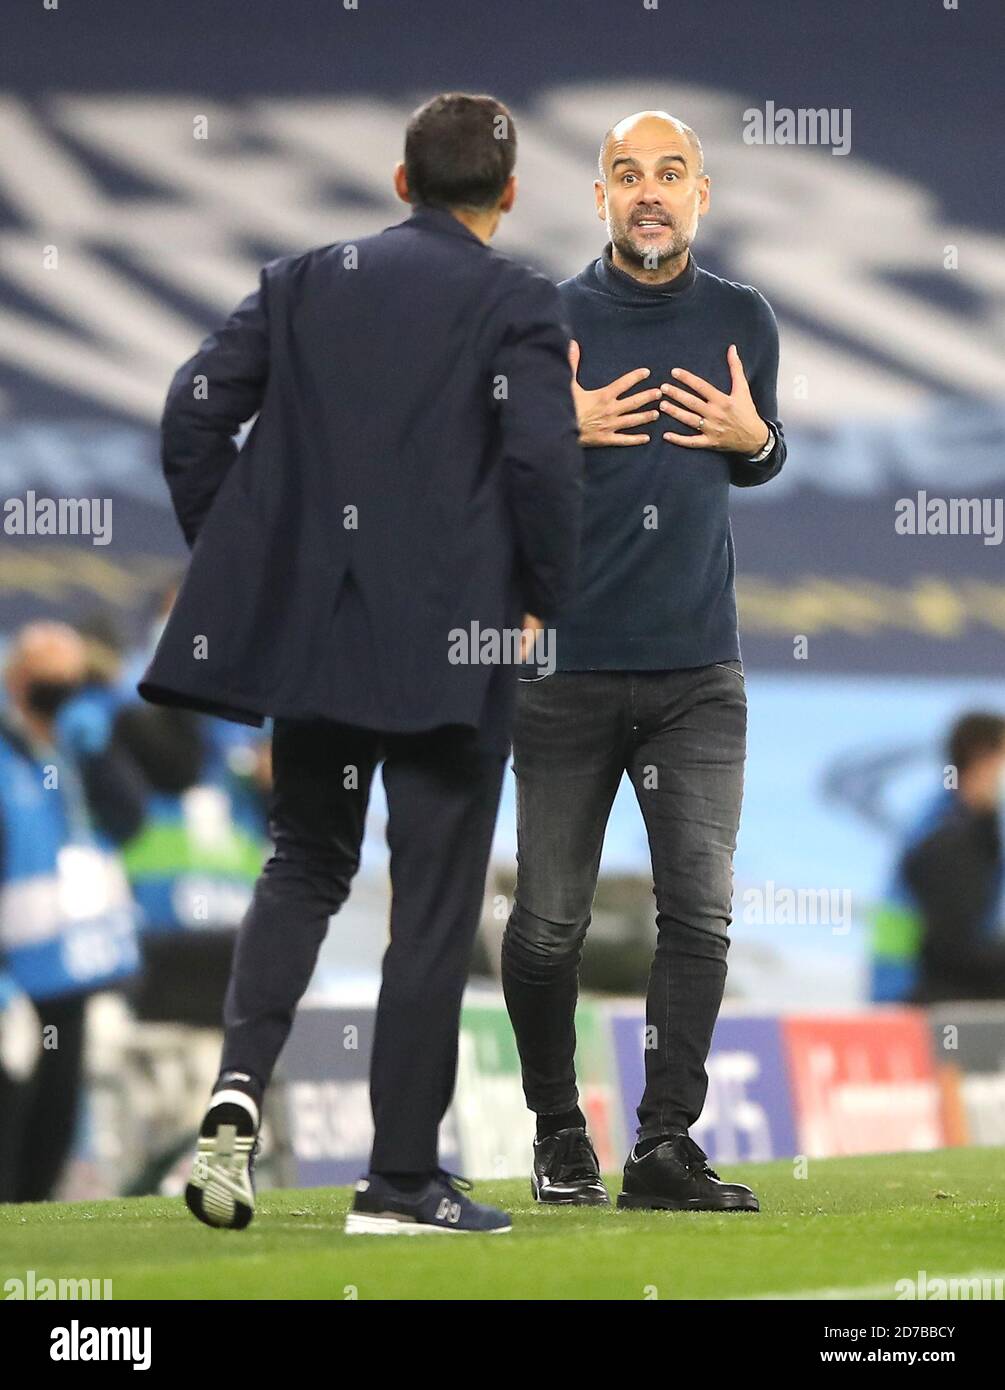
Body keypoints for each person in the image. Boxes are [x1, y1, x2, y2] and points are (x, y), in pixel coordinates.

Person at [138, 92, 582, 1235]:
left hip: (324, 647)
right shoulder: (518, 301)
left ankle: (238, 1082)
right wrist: (543, 600)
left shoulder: (301, 281)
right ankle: (397, 1181)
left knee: (303, 862)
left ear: (400, 182)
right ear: (512, 194)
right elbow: (541, 463)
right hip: (452, 652)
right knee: (432, 911)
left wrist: (247, 561)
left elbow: (192, 417)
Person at [501, 110, 786, 1213]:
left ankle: (663, 1144)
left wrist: (753, 440)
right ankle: (557, 1127)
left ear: (701, 195)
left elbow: (762, 450)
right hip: (565, 671)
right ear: (602, 197)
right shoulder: (548, 319)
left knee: (700, 916)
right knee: (547, 924)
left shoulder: (742, 317)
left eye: (671, 173)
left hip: (697, 674)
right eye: (629, 175)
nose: (650, 192)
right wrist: (549, 426)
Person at [0, 622, 143, 1201]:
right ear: (16, 680)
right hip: (12, 974)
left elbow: (128, 821)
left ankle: (28, 1252)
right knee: (9, 1118)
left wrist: (101, 754)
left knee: (53, 1123)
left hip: (69, 969)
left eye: (70, 679)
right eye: (47, 679)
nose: (59, 690)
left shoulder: (77, 750)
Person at [904, 713, 1005, 1004]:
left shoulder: (983, 837)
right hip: (937, 1010)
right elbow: (954, 948)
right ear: (981, 759)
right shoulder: (946, 841)